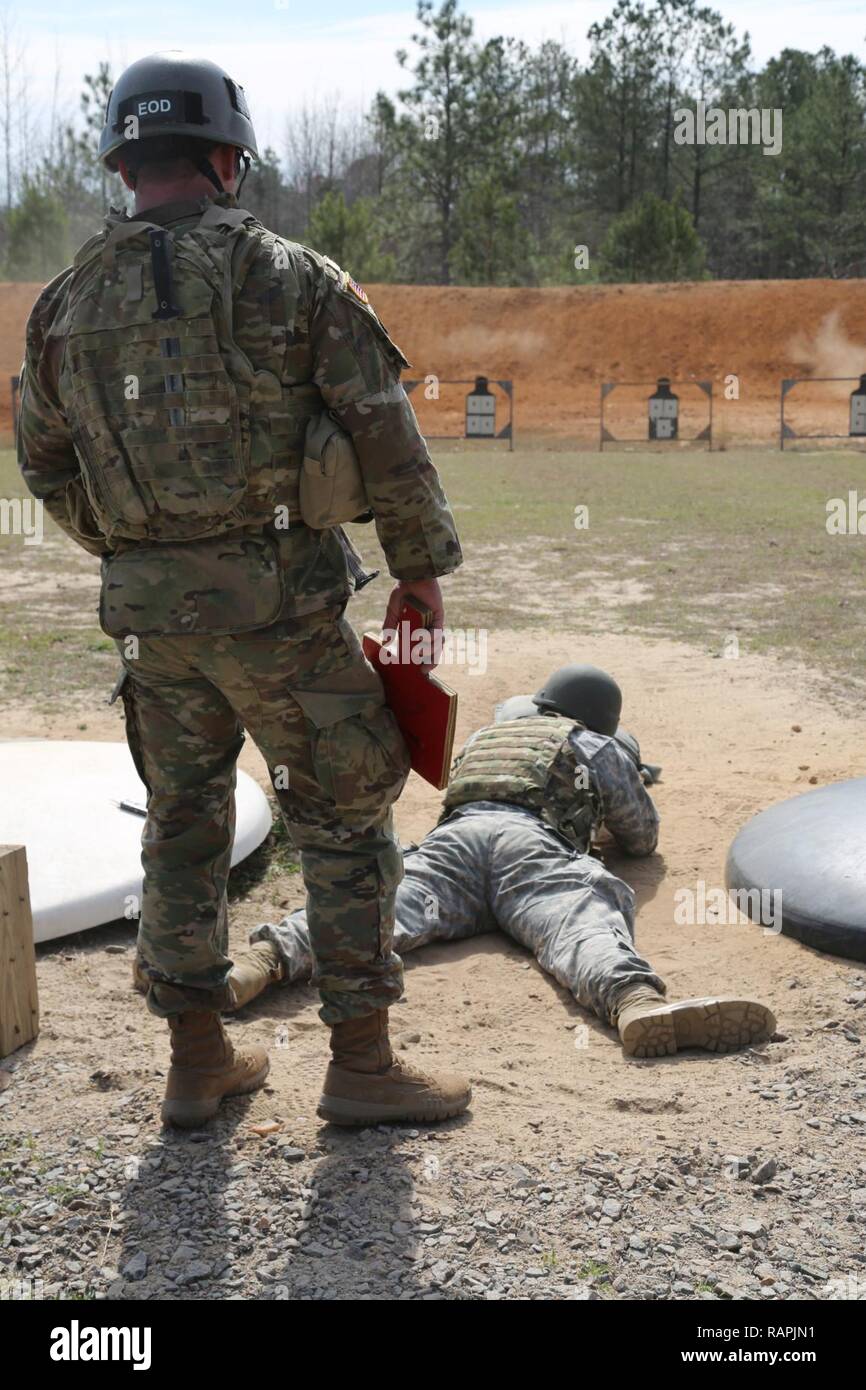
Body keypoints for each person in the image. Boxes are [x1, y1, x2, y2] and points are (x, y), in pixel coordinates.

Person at [17, 52, 470, 1130]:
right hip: (283, 611)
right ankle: (360, 1064)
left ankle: (197, 1060)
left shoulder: (62, 307)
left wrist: (135, 548)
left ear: (125, 163)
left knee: (181, 822)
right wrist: (417, 574)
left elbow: (41, 463)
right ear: (227, 158)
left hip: (148, 628)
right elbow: (383, 433)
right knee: (346, 814)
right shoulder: (293, 276)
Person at [228, 664, 776, 1064]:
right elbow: (641, 838)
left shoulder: (489, 736)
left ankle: (260, 962)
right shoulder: (596, 744)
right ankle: (633, 1003)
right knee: (576, 920)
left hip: (456, 841)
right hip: (530, 846)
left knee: (377, 909)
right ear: (603, 719)